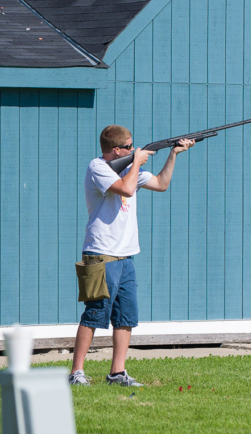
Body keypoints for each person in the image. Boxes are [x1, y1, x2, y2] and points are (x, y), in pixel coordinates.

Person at [68, 125, 194, 387]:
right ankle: (77, 373)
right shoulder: (98, 167)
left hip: (126, 257)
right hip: (100, 254)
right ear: (118, 150)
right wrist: (136, 161)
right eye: (129, 146)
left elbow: (161, 184)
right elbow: (125, 189)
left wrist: (174, 154)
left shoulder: (129, 169)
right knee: (94, 313)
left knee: (126, 317)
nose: (134, 149)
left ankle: (117, 373)